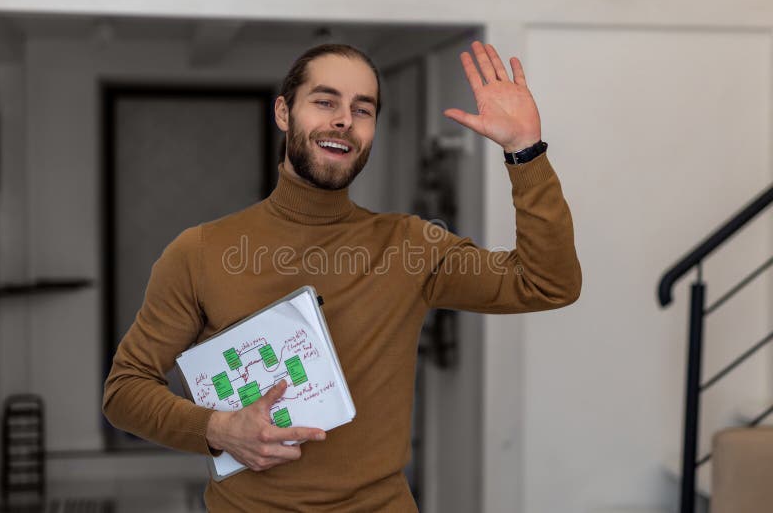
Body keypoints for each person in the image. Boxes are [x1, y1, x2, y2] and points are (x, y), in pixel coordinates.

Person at [102, 40, 581, 511]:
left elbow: (547, 282)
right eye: (325, 101)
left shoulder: (411, 246)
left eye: (363, 109)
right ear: (284, 113)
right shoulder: (200, 252)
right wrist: (216, 430)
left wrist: (525, 151)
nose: (343, 120)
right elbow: (125, 390)